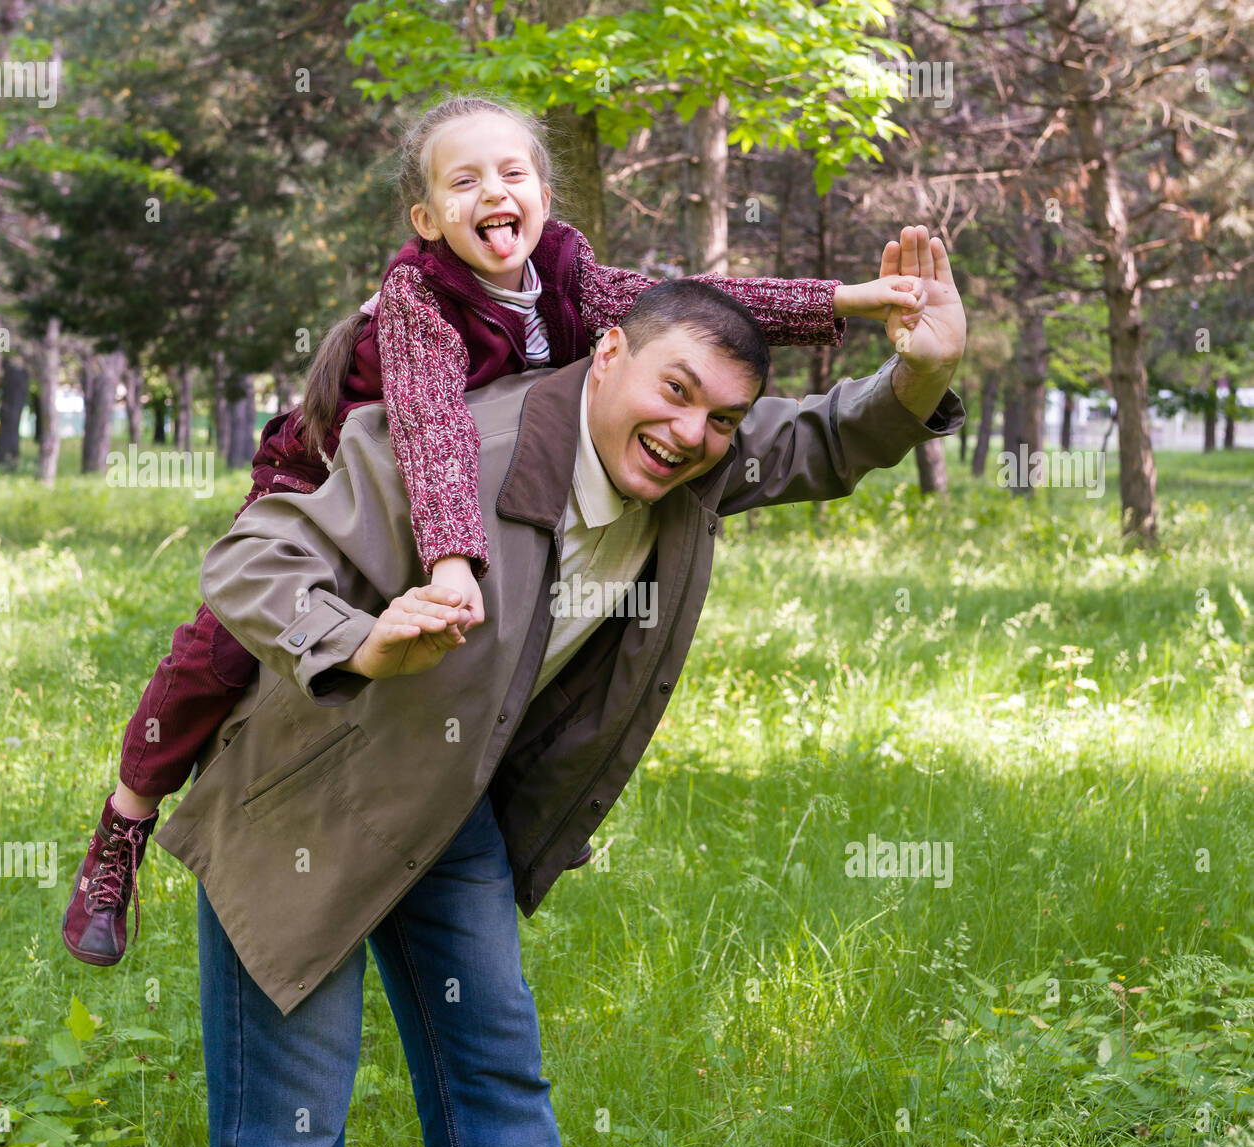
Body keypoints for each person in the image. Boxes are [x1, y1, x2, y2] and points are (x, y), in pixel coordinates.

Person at [152, 225, 969, 1147]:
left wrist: (922, 369)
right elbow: (251, 561)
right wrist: (359, 642)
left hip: (452, 813)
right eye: (674, 391)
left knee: (496, 1091)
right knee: (290, 1145)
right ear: (609, 351)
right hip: (304, 809)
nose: (689, 434)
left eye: (721, 418)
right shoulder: (457, 451)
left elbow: (831, 438)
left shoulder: (695, 464)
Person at [61, 94, 930, 968]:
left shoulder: (569, 272)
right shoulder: (418, 296)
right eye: (463, 181)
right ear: (428, 217)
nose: (493, 193)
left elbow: (695, 306)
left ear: (545, 196)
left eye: (512, 173)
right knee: (222, 651)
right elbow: (433, 428)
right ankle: (124, 826)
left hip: (451, 494)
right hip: (335, 475)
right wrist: (450, 565)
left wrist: (854, 301)